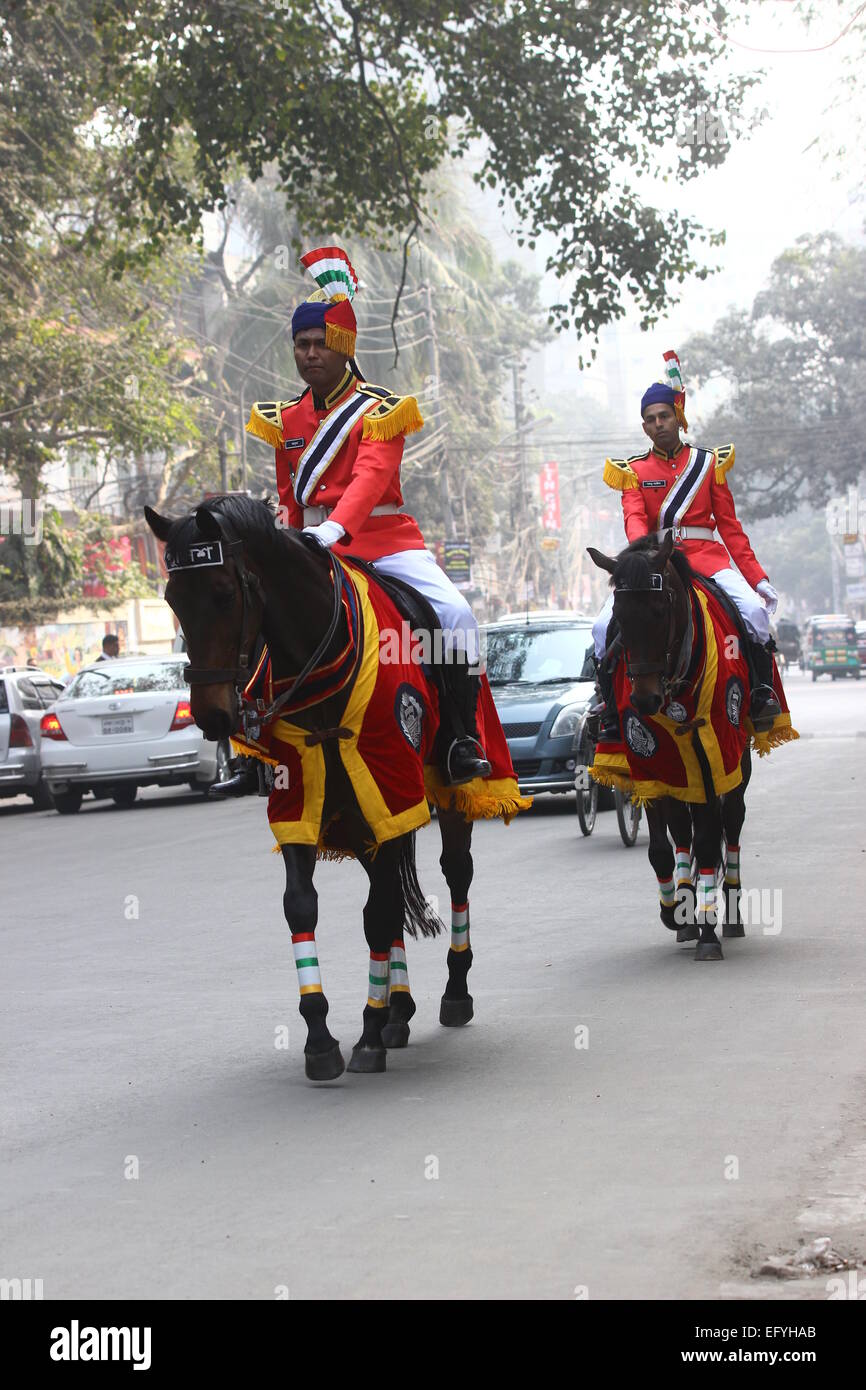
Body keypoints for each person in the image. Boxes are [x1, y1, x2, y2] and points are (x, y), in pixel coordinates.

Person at [242, 244, 491, 788]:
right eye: (302, 344)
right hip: (309, 547)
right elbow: (288, 498)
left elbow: (370, 480)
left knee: (456, 617)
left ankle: (458, 737)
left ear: (345, 346)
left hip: (384, 543)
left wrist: (330, 531)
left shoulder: (380, 410)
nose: (310, 354)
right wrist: (284, 546)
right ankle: (253, 744)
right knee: (251, 617)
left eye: (321, 343)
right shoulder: (283, 419)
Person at [593, 350, 782, 734]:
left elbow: (731, 528)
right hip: (658, 563)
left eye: (664, 416)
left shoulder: (709, 464)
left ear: (677, 417)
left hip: (708, 559)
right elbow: (635, 521)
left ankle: (761, 692)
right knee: (600, 628)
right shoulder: (633, 472)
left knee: (753, 613)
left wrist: (757, 579)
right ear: (644, 427)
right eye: (650, 419)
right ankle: (610, 707)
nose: (658, 424)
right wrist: (645, 559)